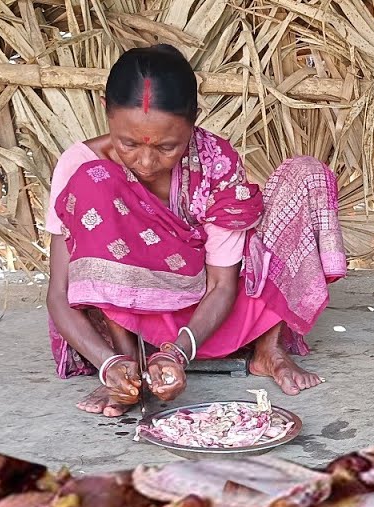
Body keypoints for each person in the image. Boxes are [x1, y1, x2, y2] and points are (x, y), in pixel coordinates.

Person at [45, 44, 347, 417]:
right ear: (105, 110)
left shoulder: (216, 162)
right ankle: (130, 368)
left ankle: (268, 349)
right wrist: (108, 365)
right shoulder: (81, 166)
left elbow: (222, 285)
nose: (146, 161)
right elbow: (59, 293)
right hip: (138, 326)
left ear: (194, 120)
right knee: (96, 181)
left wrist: (179, 353)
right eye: (128, 143)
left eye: (168, 147)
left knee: (305, 172)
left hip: (216, 313)